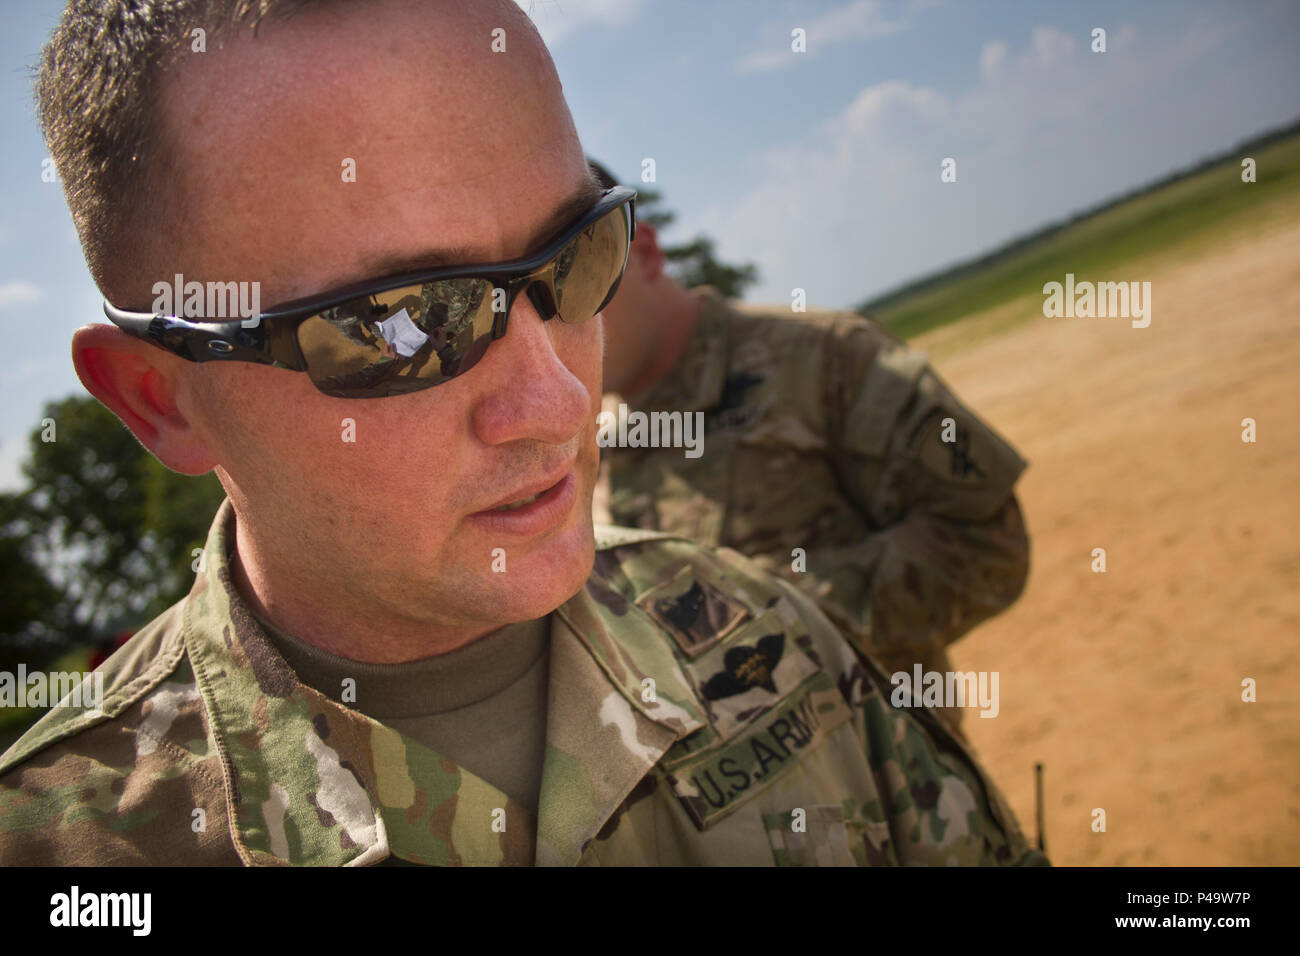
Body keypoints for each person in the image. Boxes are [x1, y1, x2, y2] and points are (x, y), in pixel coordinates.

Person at [0, 0, 1046, 866]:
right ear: (161, 397)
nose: (554, 401)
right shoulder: (66, 851)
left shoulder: (761, 633)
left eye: (576, 256)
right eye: (401, 322)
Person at [592, 160, 1031, 738]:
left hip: (893, 791)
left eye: (582, 283)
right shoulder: (586, 433)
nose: (561, 330)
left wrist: (766, 622)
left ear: (643, 253)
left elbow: (986, 549)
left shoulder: (827, 359)